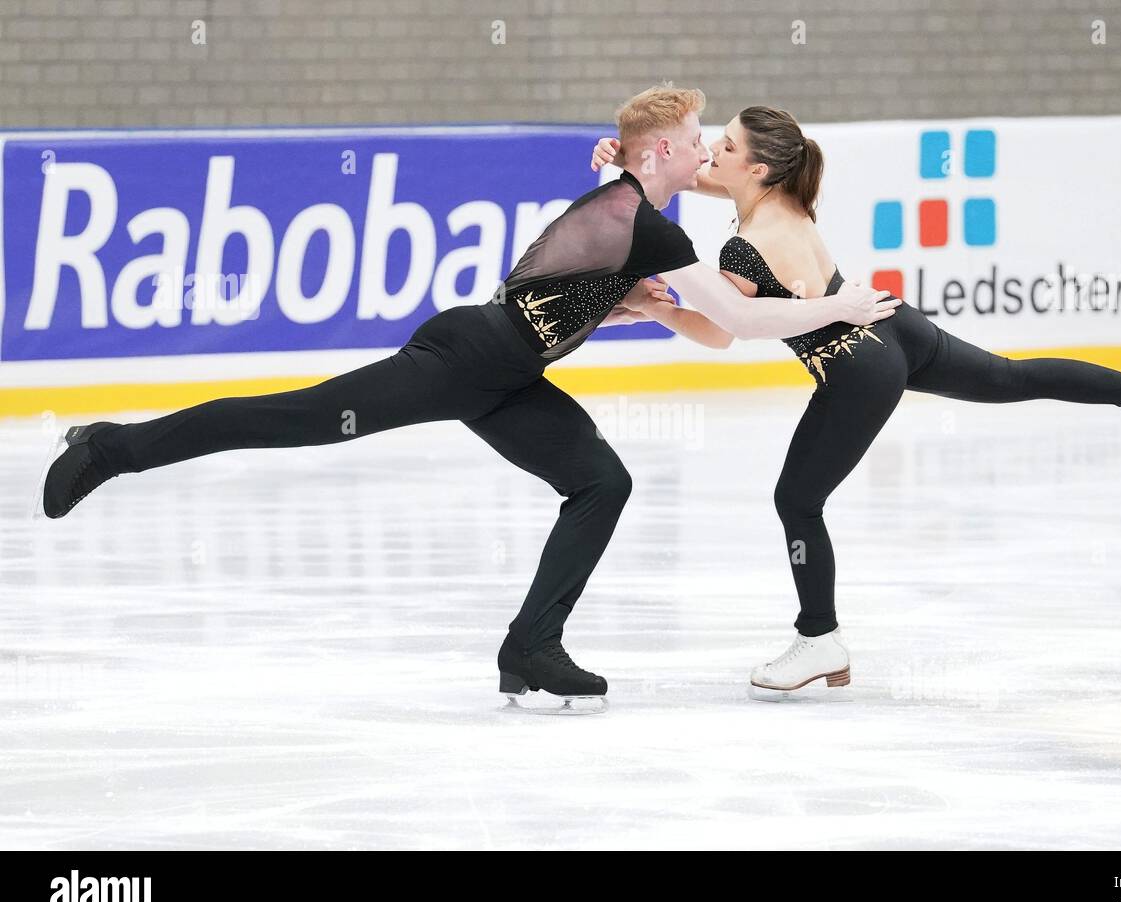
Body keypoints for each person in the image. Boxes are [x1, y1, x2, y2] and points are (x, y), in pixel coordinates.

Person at [39, 86, 900, 710]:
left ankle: (531, 647)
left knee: (602, 482)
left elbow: (634, 282)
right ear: (658, 153)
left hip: (508, 377)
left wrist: (626, 296)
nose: (704, 148)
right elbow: (737, 324)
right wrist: (841, 305)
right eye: (693, 138)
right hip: (467, 358)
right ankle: (112, 446)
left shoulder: (636, 210)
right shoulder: (640, 216)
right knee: (295, 418)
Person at [593, 106, 1121, 694]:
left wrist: (658, 310)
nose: (708, 152)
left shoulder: (743, 245)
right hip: (896, 326)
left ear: (755, 167)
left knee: (797, 498)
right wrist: (628, 163)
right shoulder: (784, 194)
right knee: (1012, 378)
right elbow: (690, 180)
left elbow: (722, 331)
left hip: (856, 366)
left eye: (723, 145)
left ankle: (819, 639)